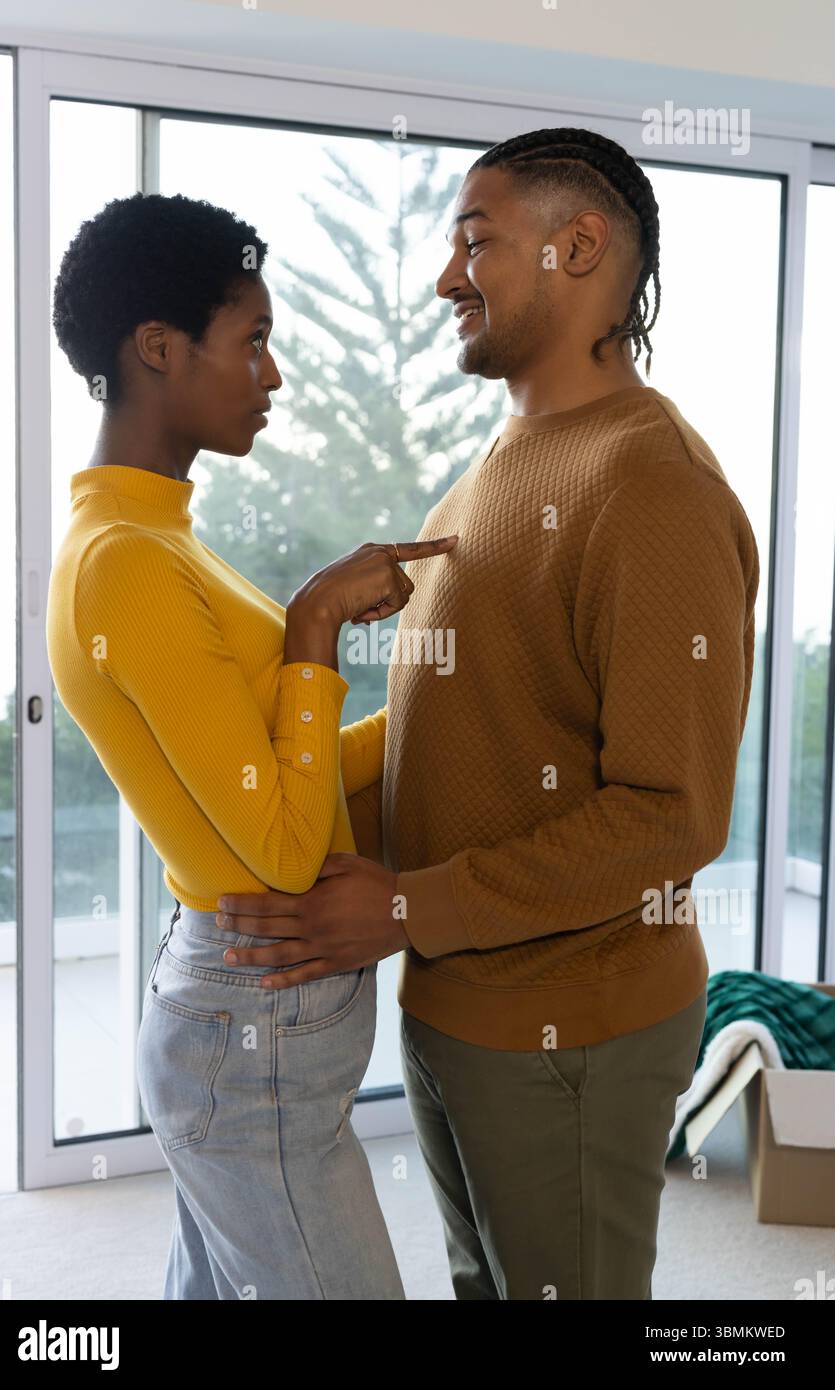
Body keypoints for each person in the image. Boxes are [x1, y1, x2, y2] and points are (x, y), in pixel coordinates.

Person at [214, 127, 761, 1300]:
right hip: (456, 999)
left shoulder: (651, 483)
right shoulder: (493, 468)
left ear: (578, 245)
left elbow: (673, 816)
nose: (446, 277)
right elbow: (458, 737)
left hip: (573, 1027)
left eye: (476, 242)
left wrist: (412, 903)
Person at [46, 190, 458, 1299]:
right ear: (158, 349)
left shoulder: (159, 535)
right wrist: (315, 622)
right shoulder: (127, 564)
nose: (274, 376)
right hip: (251, 1029)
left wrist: (438, 707)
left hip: (248, 1024)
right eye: (256, 341)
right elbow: (282, 849)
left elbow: (292, 770)